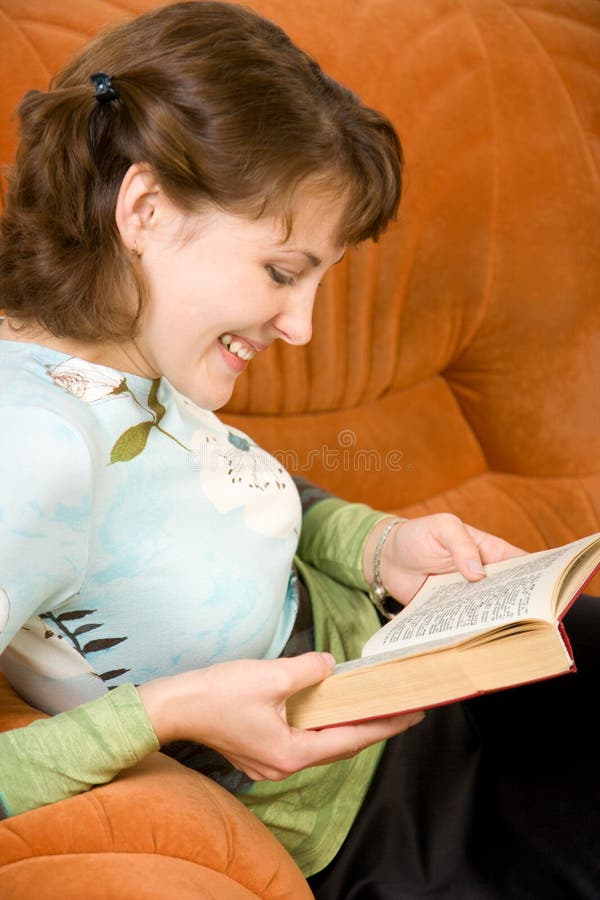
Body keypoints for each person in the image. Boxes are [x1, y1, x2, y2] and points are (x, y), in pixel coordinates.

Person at [1, 3, 599, 897]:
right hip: (375, 816)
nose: (304, 325)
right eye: (283, 273)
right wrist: (170, 714)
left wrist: (379, 543)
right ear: (147, 207)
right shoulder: (34, 450)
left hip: (418, 667)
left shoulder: (130, 349)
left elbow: (224, 495)